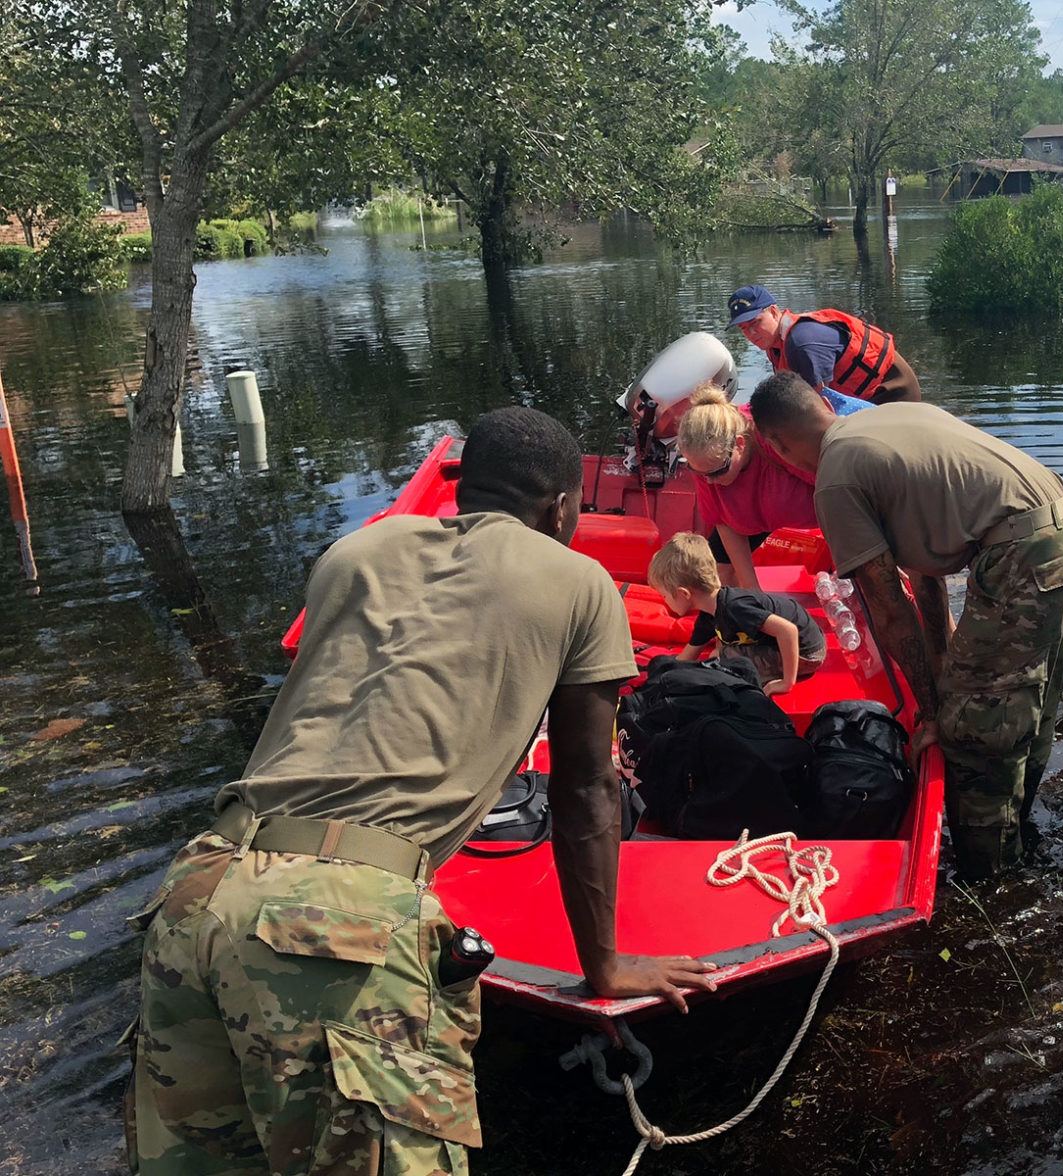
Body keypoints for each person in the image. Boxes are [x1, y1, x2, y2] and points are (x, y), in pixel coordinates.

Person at [127, 407, 715, 1173]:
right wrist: (602, 965)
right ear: (562, 508)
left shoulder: (356, 549)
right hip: (338, 925)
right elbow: (586, 793)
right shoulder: (580, 582)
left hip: (198, 888)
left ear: (463, 487)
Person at [748, 378, 1063, 881]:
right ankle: (1020, 830)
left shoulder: (836, 479)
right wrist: (942, 664)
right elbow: (926, 574)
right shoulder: (880, 420)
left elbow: (888, 608)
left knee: (972, 728)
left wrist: (934, 713)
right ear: (823, 405)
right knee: (1024, 702)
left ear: (775, 445)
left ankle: (989, 878)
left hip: (1018, 549)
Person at [678, 380, 820, 590]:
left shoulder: (778, 437)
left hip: (825, 499)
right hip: (756, 512)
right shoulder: (706, 458)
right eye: (698, 473)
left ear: (740, 445)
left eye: (716, 472)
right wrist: (751, 589)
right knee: (719, 572)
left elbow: (837, 493)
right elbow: (722, 520)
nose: (709, 481)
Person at [650, 532, 826, 694]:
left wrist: (786, 683)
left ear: (684, 594)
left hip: (807, 651)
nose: (664, 600)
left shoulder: (734, 608)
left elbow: (788, 630)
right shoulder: (709, 612)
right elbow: (687, 656)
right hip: (787, 640)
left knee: (726, 667)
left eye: (664, 595)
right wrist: (665, 675)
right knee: (718, 656)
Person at [728, 284, 922, 404]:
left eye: (755, 323)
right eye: (743, 328)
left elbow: (816, 408)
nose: (750, 333)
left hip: (894, 390)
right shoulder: (776, 343)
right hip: (866, 396)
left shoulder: (801, 343)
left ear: (773, 311)